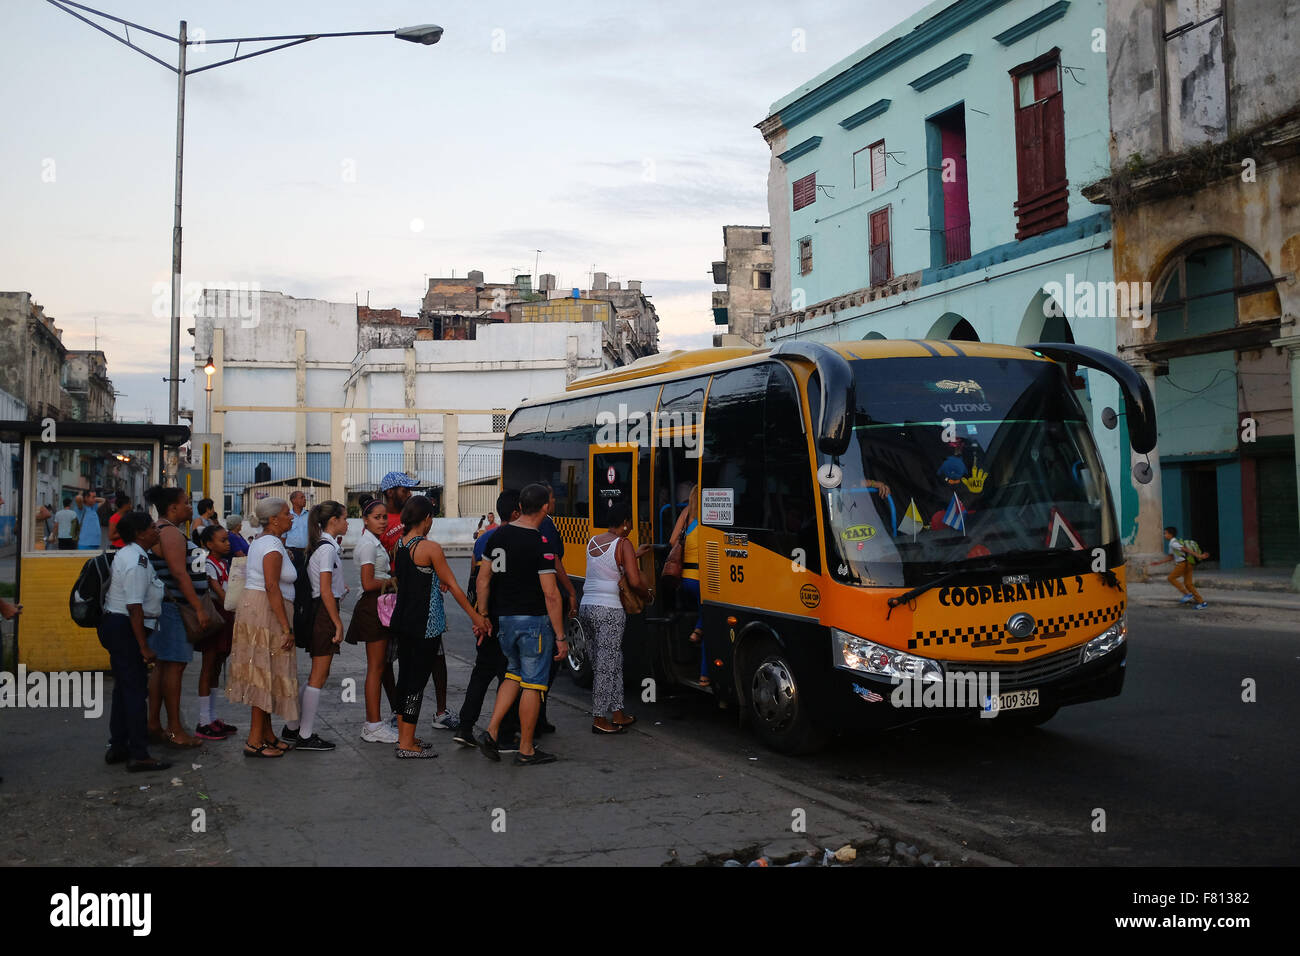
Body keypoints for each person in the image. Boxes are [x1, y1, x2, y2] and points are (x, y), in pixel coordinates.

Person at [475, 482, 569, 766]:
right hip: (533, 622)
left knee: (513, 674)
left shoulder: (497, 536)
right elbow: (551, 594)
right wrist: (561, 636)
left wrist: (483, 616)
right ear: (545, 507)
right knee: (533, 684)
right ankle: (526, 748)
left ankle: (491, 731)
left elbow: (483, 580)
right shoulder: (540, 543)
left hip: (505, 621)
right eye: (551, 499)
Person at [390, 495, 488, 759]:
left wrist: (435, 582)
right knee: (417, 683)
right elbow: (455, 586)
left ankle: (405, 735)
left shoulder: (399, 544)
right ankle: (407, 745)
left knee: (405, 679)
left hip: (402, 621)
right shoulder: (430, 548)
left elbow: (413, 580)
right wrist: (476, 617)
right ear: (427, 519)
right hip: (425, 624)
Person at [377, 471, 458, 730]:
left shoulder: (414, 532)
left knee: (427, 665)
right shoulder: (381, 522)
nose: (408, 494)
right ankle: (400, 718)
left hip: (416, 609)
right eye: (404, 489)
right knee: (399, 669)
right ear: (390, 492)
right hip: (401, 605)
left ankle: (433, 714)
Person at [226, 497, 300, 758]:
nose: (291, 517)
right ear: (273, 520)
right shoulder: (270, 545)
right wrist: (285, 627)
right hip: (266, 611)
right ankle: (254, 740)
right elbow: (271, 586)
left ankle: (267, 734)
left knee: (266, 669)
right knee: (262, 673)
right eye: (286, 513)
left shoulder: (267, 541)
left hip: (259, 608)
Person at [99, 511, 171, 772]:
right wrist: (143, 646)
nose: (157, 530)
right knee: (135, 692)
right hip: (126, 628)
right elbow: (134, 607)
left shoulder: (132, 554)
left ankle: (118, 746)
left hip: (120, 626)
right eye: (153, 527)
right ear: (141, 533)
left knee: (124, 689)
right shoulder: (135, 561)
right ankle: (139, 754)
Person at [452, 490, 522, 750]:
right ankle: (504, 733)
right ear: (516, 512)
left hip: (486, 614)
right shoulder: (517, 538)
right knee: (510, 676)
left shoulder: (484, 539)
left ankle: (465, 726)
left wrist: (480, 614)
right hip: (506, 615)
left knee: (481, 672)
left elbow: (476, 576)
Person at [143, 485, 210, 748]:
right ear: (172, 507)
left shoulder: (164, 530)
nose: (190, 507)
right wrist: (199, 607)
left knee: (163, 666)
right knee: (175, 667)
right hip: (174, 610)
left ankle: (154, 724)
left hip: (168, 609)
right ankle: (174, 729)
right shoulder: (169, 533)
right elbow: (180, 574)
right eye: (186, 502)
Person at [579, 502, 651, 734]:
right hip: (609, 610)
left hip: (587, 607)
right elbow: (634, 579)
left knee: (611, 661)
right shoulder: (624, 543)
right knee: (607, 665)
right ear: (626, 523)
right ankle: (599, 719)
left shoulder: (593, 541)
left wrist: (633, 555)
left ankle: (618, 713)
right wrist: (647, 594)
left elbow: (608, 565)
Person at [287, 500, 350, 752]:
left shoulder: (324, 546)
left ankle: (293, 726)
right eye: (344, 518)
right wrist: (337, 622)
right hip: (323, 611)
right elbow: (324, 590)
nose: (347, 522)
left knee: (318, 673)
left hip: (322, 608)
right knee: (319, 675)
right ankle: (304, 733)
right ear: (333, 521)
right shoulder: (326, 549)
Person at [347, 496, 400, 743]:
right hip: (372, 605)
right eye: (377, 517)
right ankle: (372, 725)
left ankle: (376, 722)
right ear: (365, 520)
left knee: (380, 668)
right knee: (376, 669)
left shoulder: (374, 542)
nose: (382, 521)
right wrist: (392, 582)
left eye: (384, 517)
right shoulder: (368, 544)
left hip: (379, 603)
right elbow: (368, 582)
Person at [194, 525, 238, 740]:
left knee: (217, 665)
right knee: (208, 665)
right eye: (222, 540)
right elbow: (220, 593)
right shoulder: (208, 564)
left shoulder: (224, 563)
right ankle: (203, 721)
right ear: (209, 544)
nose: (227, 543)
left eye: (228, 539)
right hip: (217, 615)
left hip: (226, 614)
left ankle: (211, 717)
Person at [669, 484, 708, 685]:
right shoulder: (711, 515)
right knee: (710, 621)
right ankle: (704, 675)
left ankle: (698, 629)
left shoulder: (686, 514)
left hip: (685, 579)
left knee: (704, 613)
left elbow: (672, 540)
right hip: (704, 579)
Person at [1150, 526, 1210, 610]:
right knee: (1188, 584)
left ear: (1170, 534)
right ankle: (1202, 603)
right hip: (1188, 563)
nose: (1164, 535)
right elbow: (1171, 557)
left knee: (1171, 578)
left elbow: (1185, 549)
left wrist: (1199, 555)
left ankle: (1187, 594)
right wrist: (1159, 562)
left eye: (1165, 533)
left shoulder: (1173, 543)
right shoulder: (1173, 543)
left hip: (1182, 564)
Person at [284, 490, 313, 652]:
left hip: (306, 552)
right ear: (294, 500)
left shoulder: (309, 516)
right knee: (293, 589)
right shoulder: (288, 516)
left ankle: (303, 631)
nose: (304, 499)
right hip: (292, 553)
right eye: (301, 497)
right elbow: (283, 537)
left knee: (305, 590)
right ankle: (292, 624)